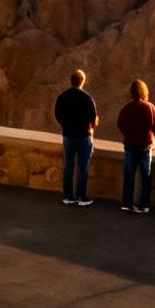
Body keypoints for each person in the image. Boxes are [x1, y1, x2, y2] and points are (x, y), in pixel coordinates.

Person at [52, 69, 98, 206]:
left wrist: (64, 125)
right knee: (83, 167)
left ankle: (68, 196)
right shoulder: (87, 98)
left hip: (68, 136)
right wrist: (91, 128)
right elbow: (93, 119)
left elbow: (57, 114)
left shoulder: (62, 97)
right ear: (82, 81)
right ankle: (81, 196)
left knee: (68, 166)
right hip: (84, 137)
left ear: (71, 81)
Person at [116, 79, 155, 214]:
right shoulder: (150, 107)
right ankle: (143, 205)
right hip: (145, 147)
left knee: (129, 175)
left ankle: (127, 204)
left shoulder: (127, 108)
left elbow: (120, 124)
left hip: (130, 145)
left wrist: (128, 135)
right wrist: (153, 139)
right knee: (145, 177)